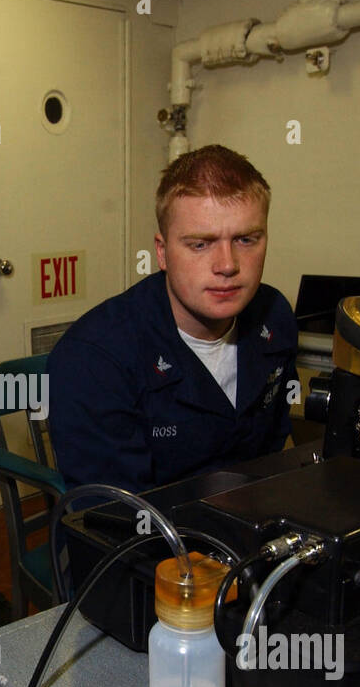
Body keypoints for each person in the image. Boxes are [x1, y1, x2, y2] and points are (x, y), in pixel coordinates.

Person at [47, 144, 298, 491]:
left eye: (245, 239)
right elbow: (113, 521)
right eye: (200, 244)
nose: (227, 265)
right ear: (163, 253)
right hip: (155, 539)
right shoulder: (92, 358)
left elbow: (273, 453)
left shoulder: (275, 317)